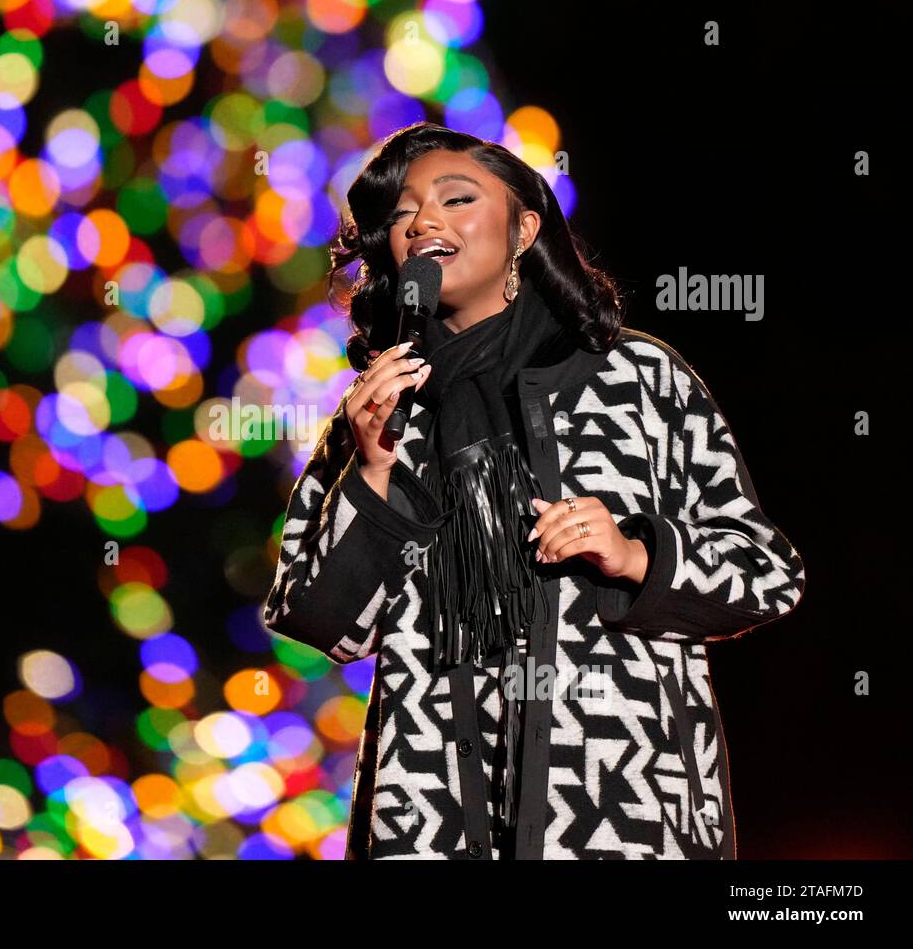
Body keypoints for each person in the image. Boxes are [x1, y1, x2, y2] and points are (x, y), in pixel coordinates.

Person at [262, 122, 806, 859]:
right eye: (400, 215)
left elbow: (767, 573)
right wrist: (372, 471)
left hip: (621, 805)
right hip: (433, 811)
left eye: (456, 199)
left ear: (524, 229)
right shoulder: (376, 411)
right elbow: (324, 621)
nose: (423, 222)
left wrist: (634, 554)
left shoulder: (637, 377)